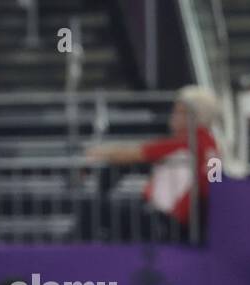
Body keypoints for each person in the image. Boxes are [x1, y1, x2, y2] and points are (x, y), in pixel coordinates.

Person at [86, 85, 220, 239]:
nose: (173, 116)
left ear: (193, 116)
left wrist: (97, 152)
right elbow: (214, 181)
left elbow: (134, 154)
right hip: (176, 220)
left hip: (167, 222)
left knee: (92, 209)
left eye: (179, 112)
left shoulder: (187, 143)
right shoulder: (211, 146)